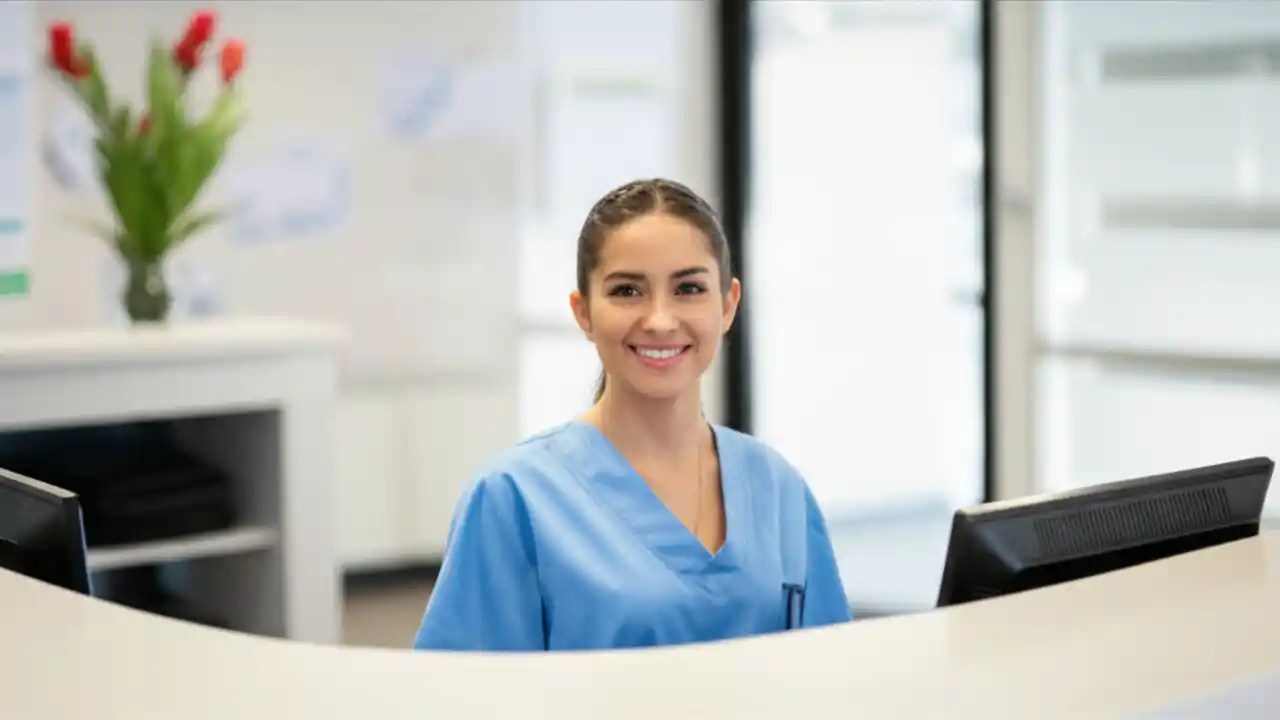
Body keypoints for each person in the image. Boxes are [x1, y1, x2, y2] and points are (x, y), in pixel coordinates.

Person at [413, 178, 850, 651]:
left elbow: (832, 675)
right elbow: (463, 693)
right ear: (583, 312)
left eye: (688, 288)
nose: (660, 320)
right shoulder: (514, 496)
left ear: (728, 305)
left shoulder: (776, 486)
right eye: (626, 291)